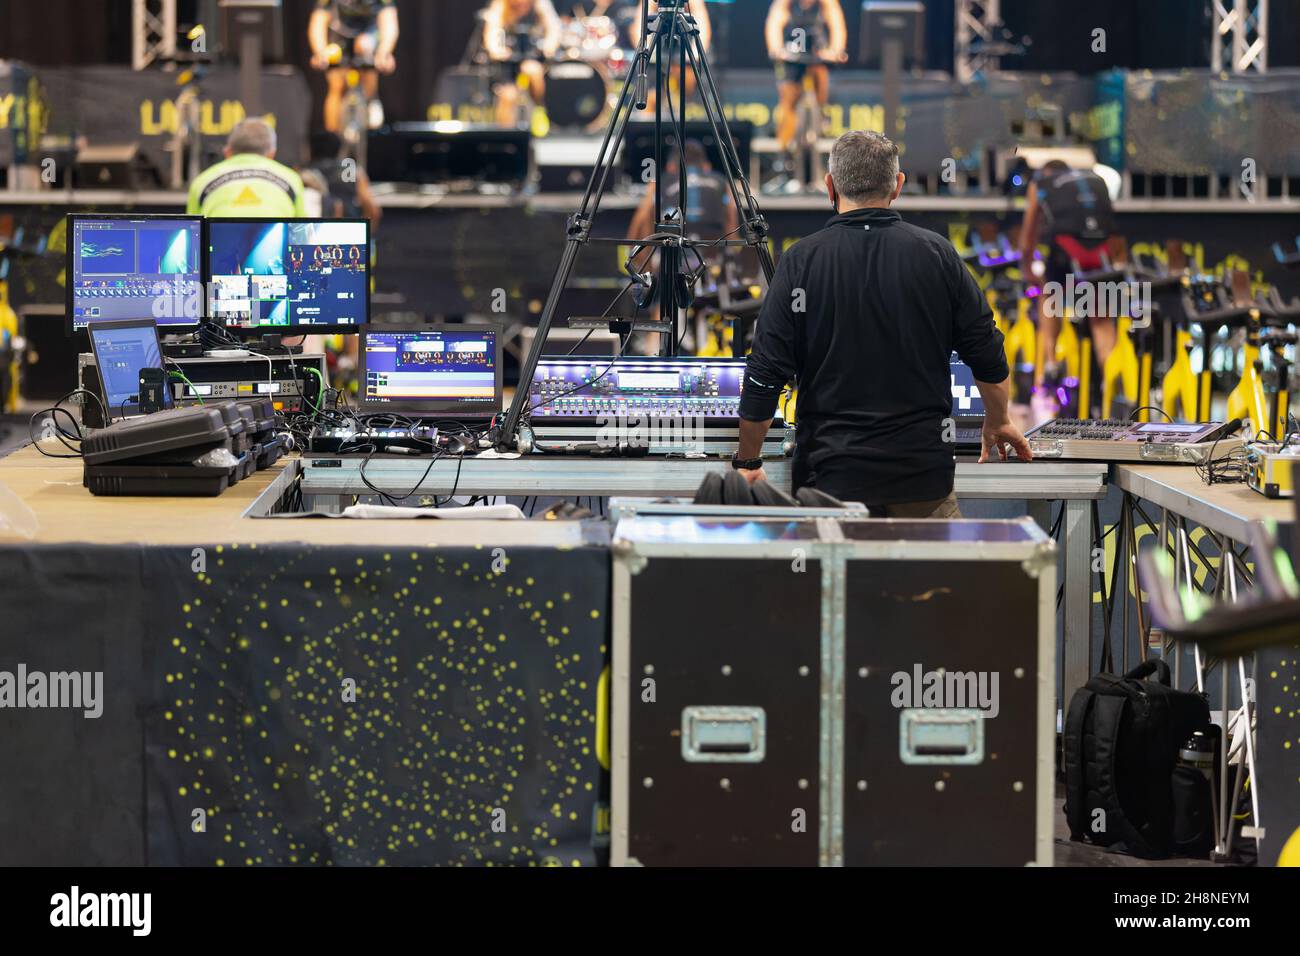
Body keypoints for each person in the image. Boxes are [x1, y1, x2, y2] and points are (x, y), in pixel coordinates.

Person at [735, 130, 1031, 517]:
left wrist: (748, 462)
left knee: (833, 581)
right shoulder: (937, 255)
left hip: (828, 487)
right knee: (933, 581)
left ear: (830, 186)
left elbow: (765, 373)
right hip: (923, 483)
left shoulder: (800, 260)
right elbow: (987, 352)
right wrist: (999, 419)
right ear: (898, 186)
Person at [1018, 159, 1120, 416]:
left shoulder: (1040, 182)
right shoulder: (1096, 178)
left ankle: (1051, 361)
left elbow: (1030, 229)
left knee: (1049, 295)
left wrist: (1027, 266)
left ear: (1047, 171)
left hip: (1065, 247)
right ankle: (1110, 377)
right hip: (1100, 250)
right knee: (1100, 316)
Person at [766, 0, 848, 154]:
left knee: (822, 84)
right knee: (787, 101)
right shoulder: (787, 3)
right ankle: (783, 150)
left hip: (817, 55)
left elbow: (837, 24)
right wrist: (775, 48)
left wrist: (836, 49)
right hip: (792, 56)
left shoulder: (825, 4)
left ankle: (823, 118)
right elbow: (774, 22)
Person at [308, 0, 400, 133]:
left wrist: (384, 52)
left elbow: (389, 22)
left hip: (368, 35)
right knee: (336, 85)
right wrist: (319, 52)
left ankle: (370, 99)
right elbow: (318, 22)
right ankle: (333, 137)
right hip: (340, 35)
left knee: (365, 47)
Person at [186, 119, 307, 219]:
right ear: (272, 154)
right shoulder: (291, 178)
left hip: (219, 247)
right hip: (277, 247)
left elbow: (193, 232)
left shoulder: (202, 181)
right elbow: (302, 231)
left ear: (227, 152)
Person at [627, 139, 737, 243]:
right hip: (712, 246)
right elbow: (731, 214)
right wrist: (734, 249)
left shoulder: (658, 182)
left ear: (670, 166)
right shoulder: (721, 181)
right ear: (706, 166)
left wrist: (634, 252)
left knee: (651, 219)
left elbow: (643, 216)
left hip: (672, 245)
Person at [484, 0, 563, 128]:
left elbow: (554, 28)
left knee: (533, 70)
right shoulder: (500, 5)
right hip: (508, 62)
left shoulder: (540, 4)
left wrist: (549, 46)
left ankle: (539, 109)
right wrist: (496, 49)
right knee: (508, 96)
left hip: (532, 57)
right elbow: (492, 31)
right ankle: (506, 136)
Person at [305, 130, 382, 227]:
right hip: (348, 230)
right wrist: (365, 235)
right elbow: (372, 210)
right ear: (339, 149)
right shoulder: (351, 171)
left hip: (314, 231)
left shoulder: (302, 173)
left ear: (311, 149)